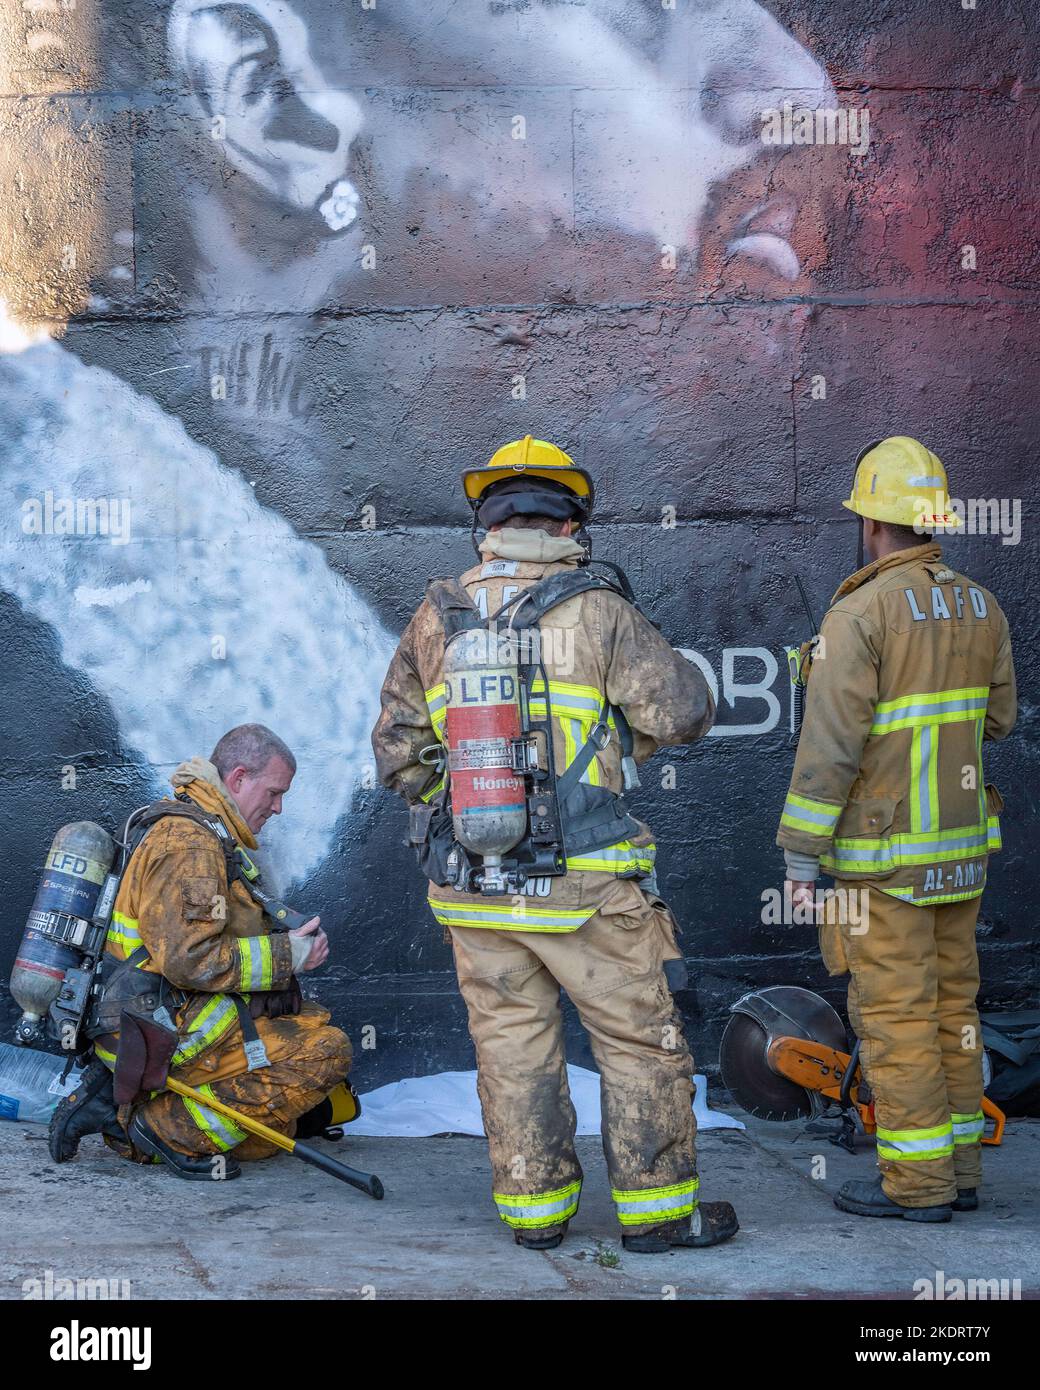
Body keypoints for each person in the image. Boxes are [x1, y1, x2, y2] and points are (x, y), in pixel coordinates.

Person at [372, 435, 738, 1252]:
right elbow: (678, 714)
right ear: (572, 521)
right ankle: (658, 1215)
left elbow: (397, 754)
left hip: (473, 885)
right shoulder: (599, 608)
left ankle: (534, 1217)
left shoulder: (437, 615)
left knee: (512, 1050)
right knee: (640, 1045)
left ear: (486, 521)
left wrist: (464, 804)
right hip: (587, 890)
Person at [777, 437, 1017, 1221]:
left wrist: (801, 860)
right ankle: (962, 1176)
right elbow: (1003, 720)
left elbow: (830, 749)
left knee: (897, 1019)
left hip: (885, 867)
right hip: (962, 860)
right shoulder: (983, 606)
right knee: (955, 1013)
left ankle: (917, 1189)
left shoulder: (860, 613)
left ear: (872, 526)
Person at [51, 724, 351, 1180]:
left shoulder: (208, 836)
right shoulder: (189, 845)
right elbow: (189, 959)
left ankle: (132, 1098)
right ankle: (152, 1129)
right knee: (326, 1052)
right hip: (159, 1029)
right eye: (273, 792)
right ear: (238, 779)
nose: (279, 806)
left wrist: (286, 943)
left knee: (278, 1117)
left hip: (161, 1018)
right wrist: (289, 955)